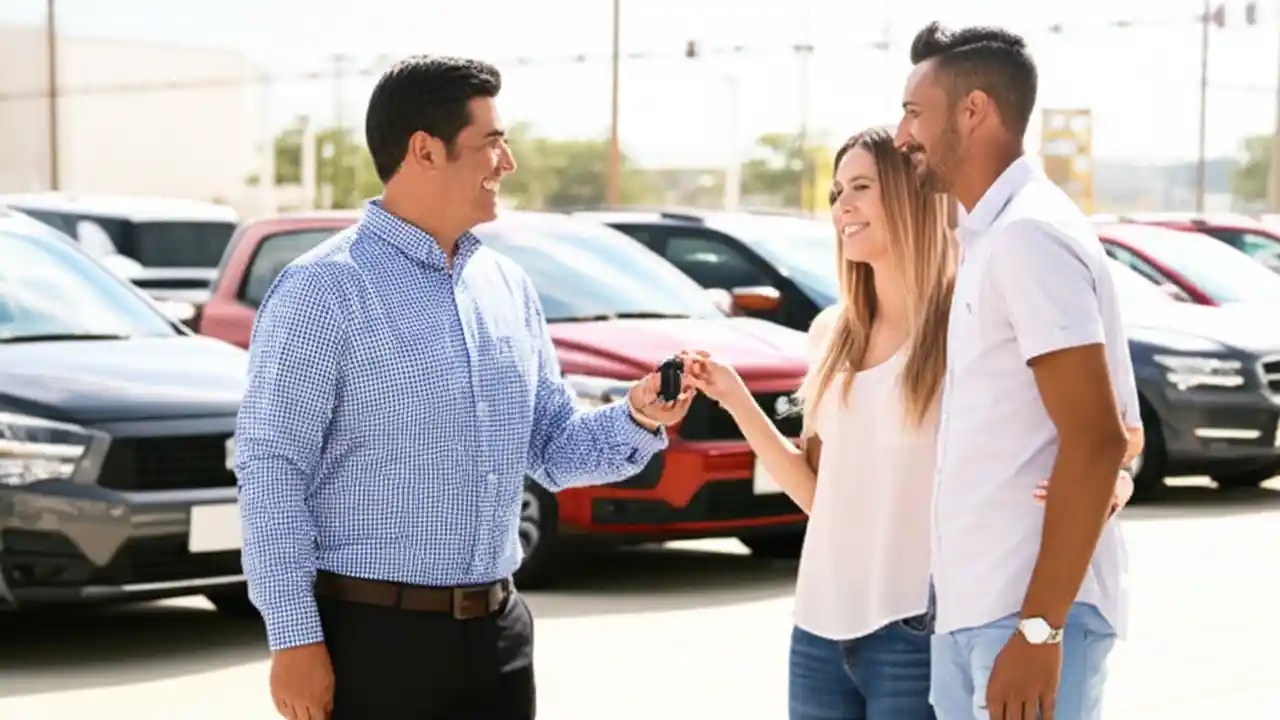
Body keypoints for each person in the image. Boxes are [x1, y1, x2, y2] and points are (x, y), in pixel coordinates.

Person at [234, 55, 695, 720]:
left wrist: (638, 417)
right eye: (491, 141)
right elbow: (271, 468)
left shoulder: (507, 286)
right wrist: (294, 637)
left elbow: (554, 449)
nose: (506, 162)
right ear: (425, 150)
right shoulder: (322, 290)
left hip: (499, 638)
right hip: (372, 644)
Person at [681, 127, 1137, 719]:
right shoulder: (830, 333)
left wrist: (1113, 482)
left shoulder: (967, 329)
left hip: (917, 626)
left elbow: (1091, 428)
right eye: (837, 190)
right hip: (819, 627)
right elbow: (822, 496)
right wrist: (737, 400)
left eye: (862, 187)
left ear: (910, 194)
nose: (842, 205)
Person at [895, 22, 1141, 720]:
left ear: (973, 111)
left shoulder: (1028, 235)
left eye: (916, 112)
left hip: (1024, 617)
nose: (902, 133)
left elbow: (1096, 438)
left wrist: (1038, 629)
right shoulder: (987, 237)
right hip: (973, 612)